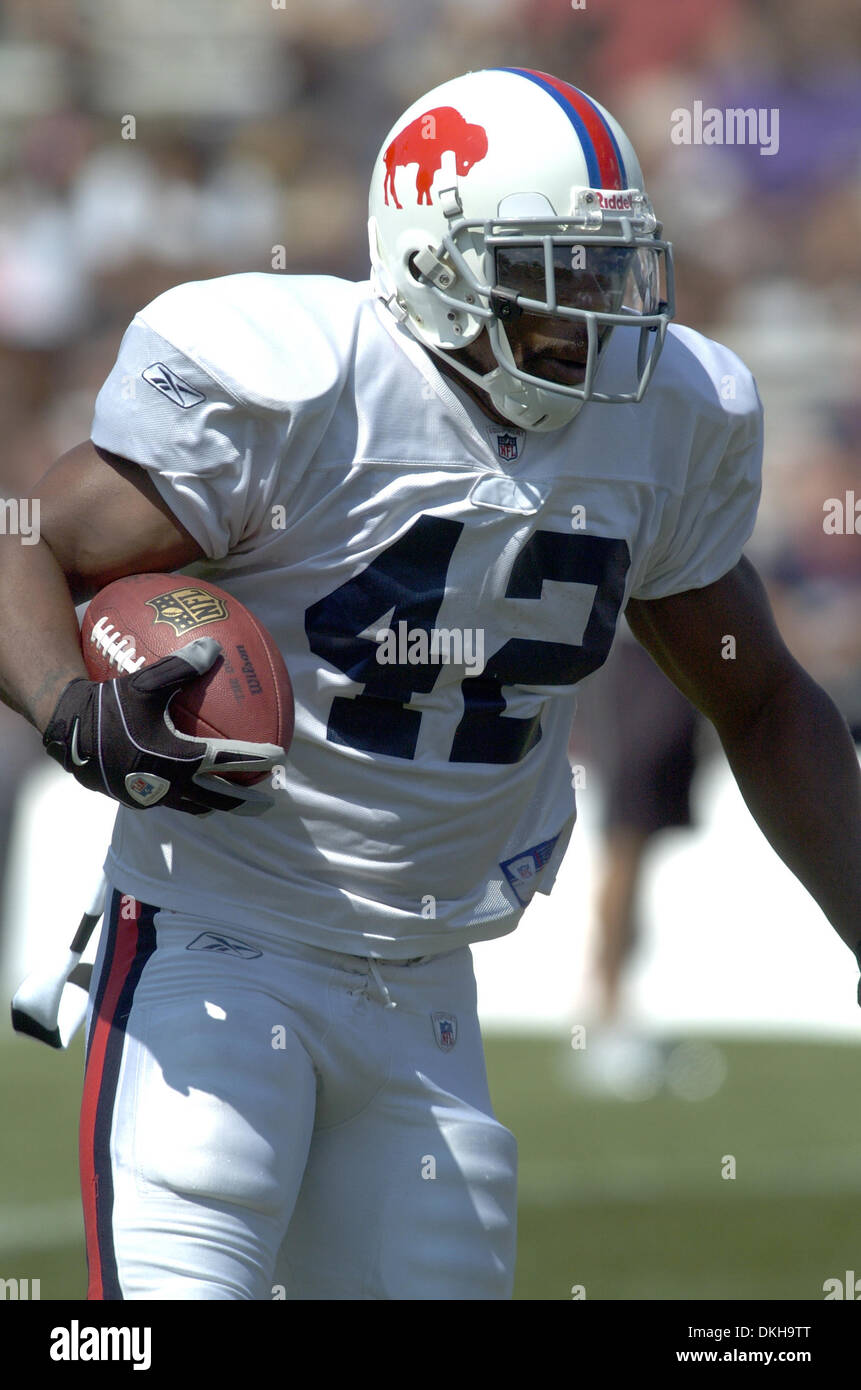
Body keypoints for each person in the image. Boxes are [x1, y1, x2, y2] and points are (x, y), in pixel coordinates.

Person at [0, 67, 858, 1301]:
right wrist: (72, 713)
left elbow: (763, 696)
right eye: (546, 272)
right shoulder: (301, 385)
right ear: (428, 259)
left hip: (431, 989)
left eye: (604, 269)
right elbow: (25, 540)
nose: (591, 313)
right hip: (214, 952)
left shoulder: (665, 418)